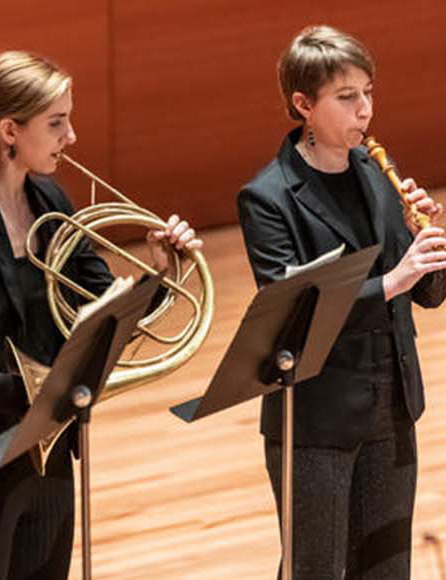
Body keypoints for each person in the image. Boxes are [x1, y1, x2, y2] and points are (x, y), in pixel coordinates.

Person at [0, 51, 203, 580]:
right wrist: (26, 393)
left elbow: (105, 309)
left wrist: (160, 275)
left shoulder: (51, 201)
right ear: (9, 131)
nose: (71, 137)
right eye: (56, 123)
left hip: (48, 452)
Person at [237, 26, 446, 579]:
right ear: (303, 104)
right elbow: (294, 313)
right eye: (347, 97)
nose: (365, 111)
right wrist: (393, 281)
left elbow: (426, 294)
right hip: (316, 419)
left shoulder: (377, 172)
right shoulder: (268, 198)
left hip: (392, 406)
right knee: (318, 569)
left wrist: (424, 243)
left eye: (369, 92)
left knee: (387, 567)